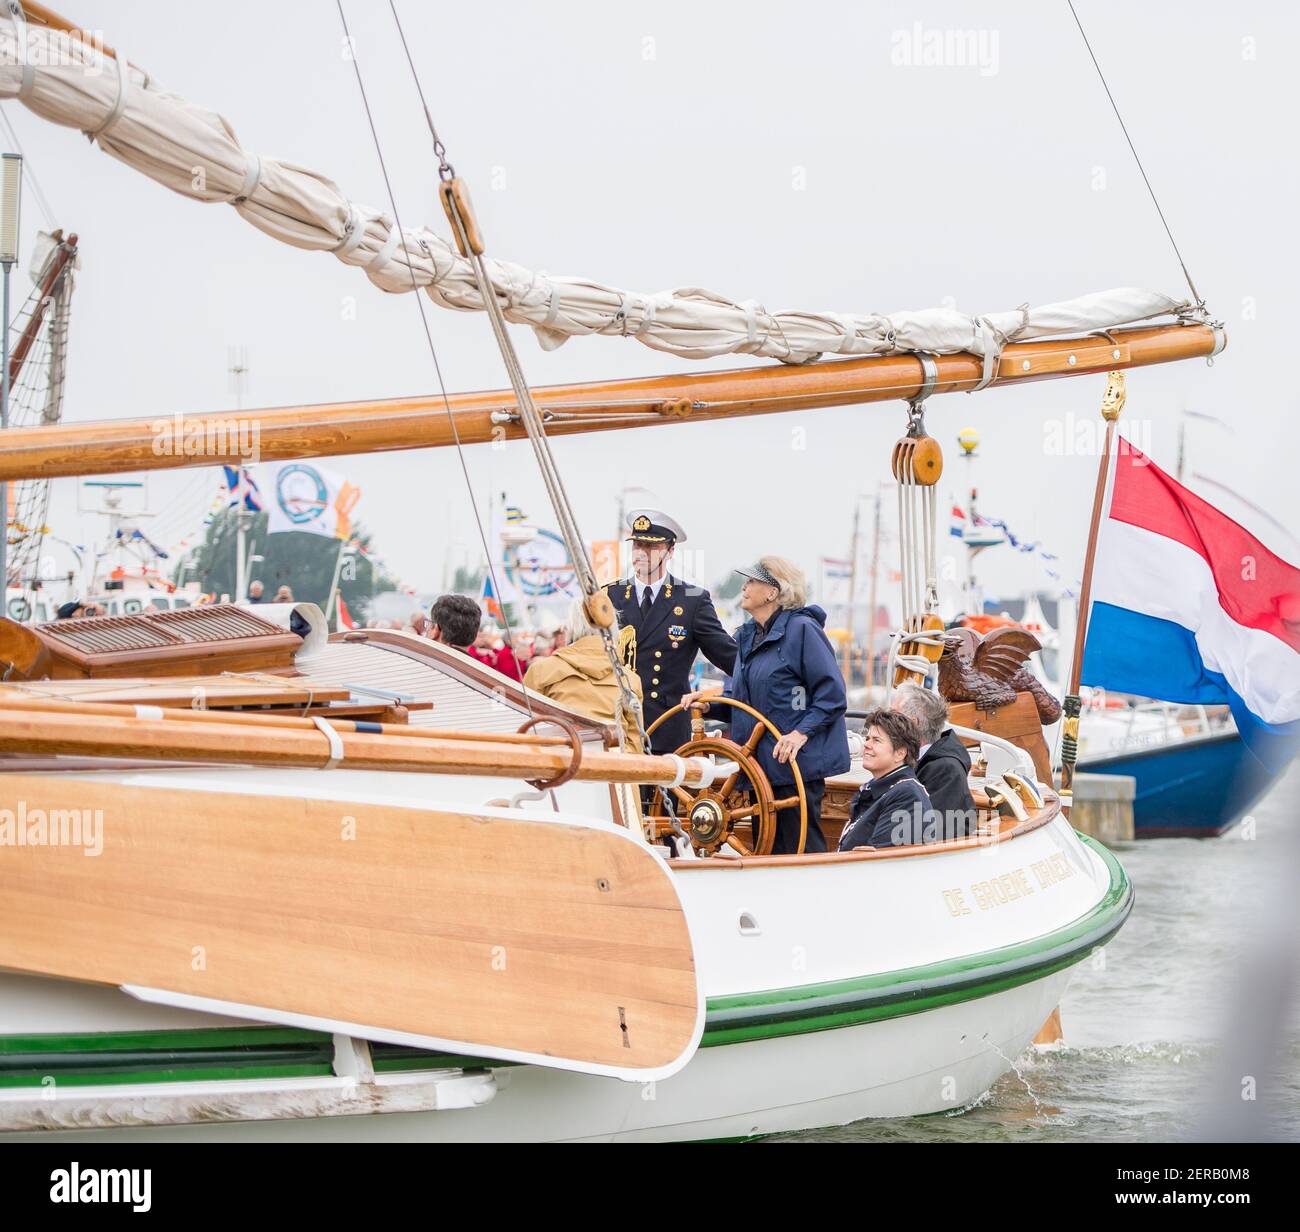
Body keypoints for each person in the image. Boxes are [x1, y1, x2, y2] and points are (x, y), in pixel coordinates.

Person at [701, 556, 849, 854]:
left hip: (796, 767)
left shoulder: (803, 630)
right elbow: (742, 702)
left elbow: (832, 694)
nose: (744, 586)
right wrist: (708, 706)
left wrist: (800, 733)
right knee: (766, 851)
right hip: (759, 769)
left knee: (800, 850)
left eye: (752, 581)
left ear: (773, 591)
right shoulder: (747, 637)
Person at [604, 508, 735, 752]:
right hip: (619, 724)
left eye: (651, 547)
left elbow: (731, 659)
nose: (641, 553)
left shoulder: (692, 600)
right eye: (637, 545)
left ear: (670, 551)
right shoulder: (610, 597)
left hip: (668, 727)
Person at [523, 599, 644, 750]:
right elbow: (635, 745)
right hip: (614, 763)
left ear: (571, 626)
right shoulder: (630, 680)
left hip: (558, 763)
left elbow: (524, 727)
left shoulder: (541, 670)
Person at [890, 682, 977, 838]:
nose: (886, 722)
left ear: (912, 723)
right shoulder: (917, 760)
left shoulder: (945, 771)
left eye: (892, 715)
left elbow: (930, 833)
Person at [838, 708, 933, 850]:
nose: (866, 744)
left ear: (900, 753)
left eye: (876, 740)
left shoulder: (907, 795)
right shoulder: (877, 789)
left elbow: (882, 859)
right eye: (867, 738)